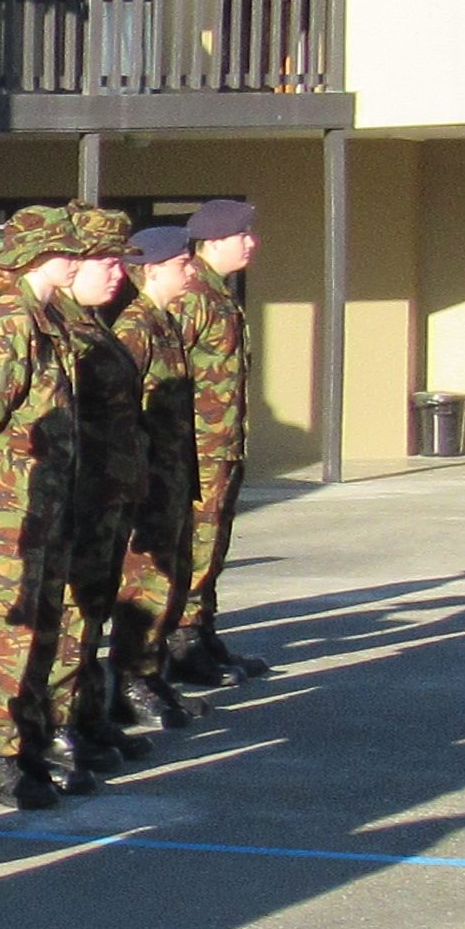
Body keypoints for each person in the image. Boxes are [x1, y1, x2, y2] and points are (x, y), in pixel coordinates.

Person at [0, 210, 82, 809]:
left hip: (43, 505)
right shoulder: (11, 322)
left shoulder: (43, 316)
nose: (76, 260)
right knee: (6, 632)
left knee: (39, 629)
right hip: (9, 509)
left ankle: (28, 741)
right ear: (35, 256)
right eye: (65, 251)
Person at [51, 208, 151, 777]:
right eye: (105, 262)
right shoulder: (60, 329)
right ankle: (59, 720)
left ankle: (86, 712)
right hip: (78, 495)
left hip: (107, 493)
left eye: (120, 262)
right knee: (70, 613)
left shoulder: (91, 325)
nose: (117, 273)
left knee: (91, 609)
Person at [106, 227, 210, 733]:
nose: (191, 271)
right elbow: (125, 417)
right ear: (151, 271)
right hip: (148, 485)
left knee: (170, 580)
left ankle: (153, 673)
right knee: (144, 587)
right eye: (181, 264)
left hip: (171, 478)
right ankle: (132, 681)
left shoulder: (165, 324)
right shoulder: (135, 330)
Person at [167, 197, 269, 688]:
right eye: (242, 235)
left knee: (215, 544)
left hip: (221, 444)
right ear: (213, 242)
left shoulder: (219, 295)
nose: (251, 243)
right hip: (198, 449)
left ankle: (203, 631)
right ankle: (183, 641)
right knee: (196, 544)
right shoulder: (192, 297)